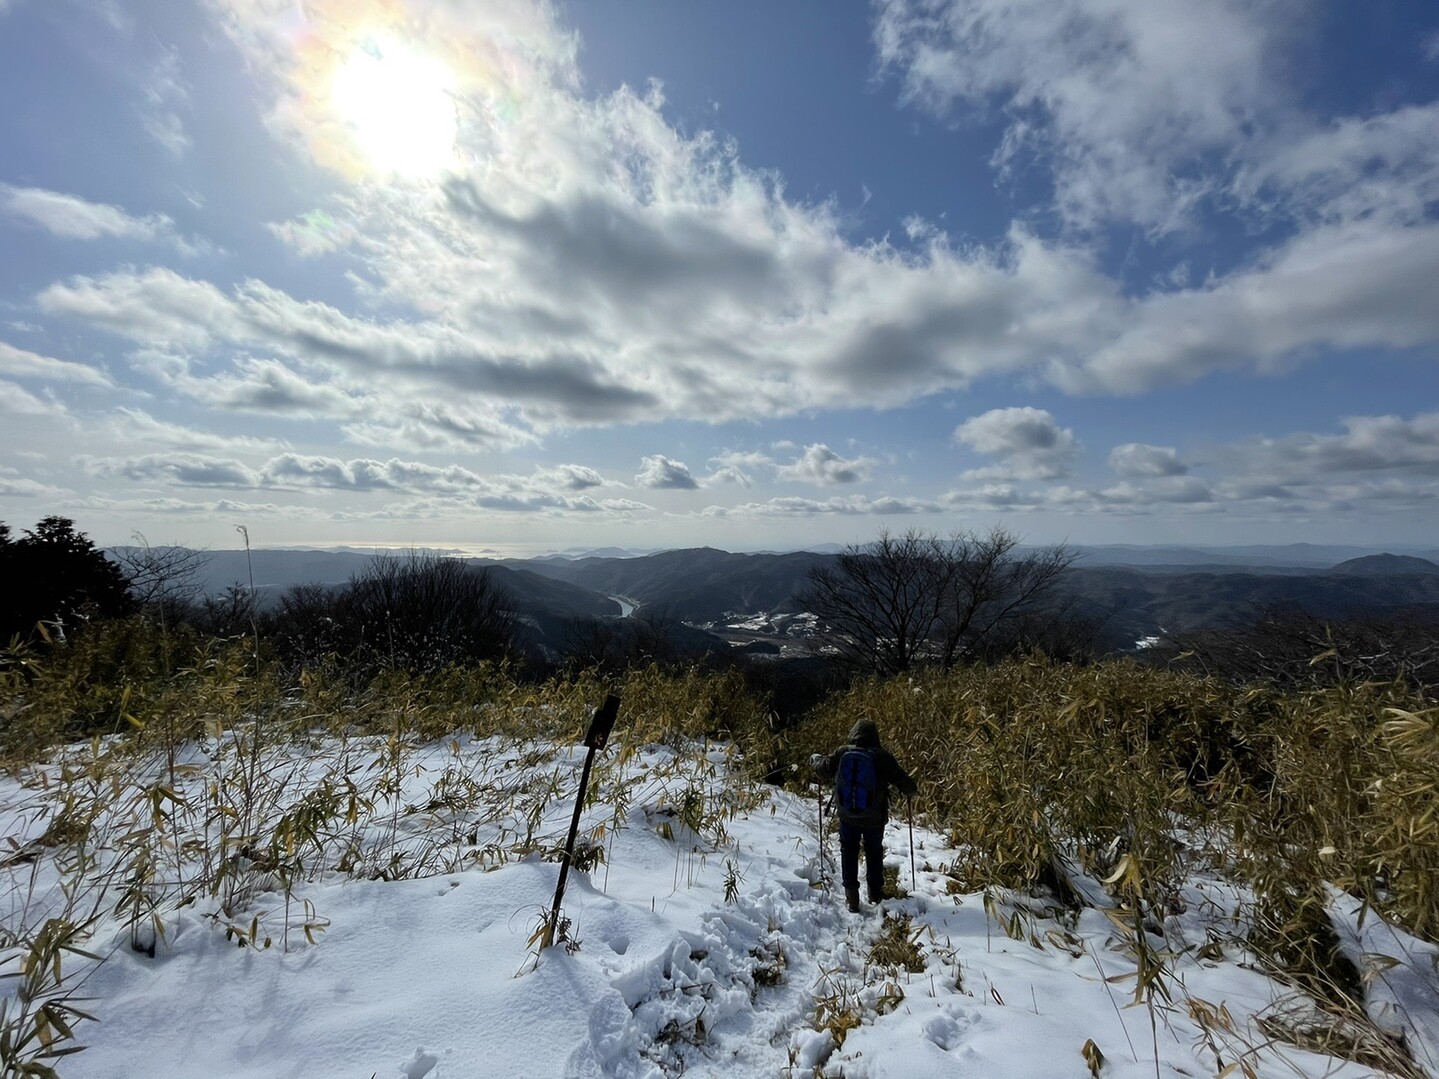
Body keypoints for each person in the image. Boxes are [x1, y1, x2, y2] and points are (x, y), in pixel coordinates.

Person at [812, 718, 917, 913]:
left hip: (847, 815)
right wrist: (911, 791)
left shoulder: (843, 752)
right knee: (874, 851)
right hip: (874, 817)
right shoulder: (881, 756)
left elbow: (823, 769)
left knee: (848, 850)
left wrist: (815, 759)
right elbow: (904, 782)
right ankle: (875, 893)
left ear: (853, 735)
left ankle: (852, 897)